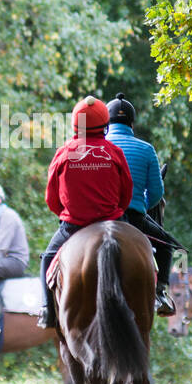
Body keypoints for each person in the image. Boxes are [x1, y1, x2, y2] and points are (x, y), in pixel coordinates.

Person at [36, 95, 133, 330]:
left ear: (74, 125)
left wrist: (66, 213)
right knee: (147, 255)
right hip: (112, 222)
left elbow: (51, 198)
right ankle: (156, 293)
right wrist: (115, 212)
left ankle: (47, 310)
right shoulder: (114, 152)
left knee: (48, 258)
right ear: (106, 125)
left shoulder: (63, 153)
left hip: (74, 226)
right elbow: (127, 191)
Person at [104, 93, 176, 316]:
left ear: (106, 123)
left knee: (57, 250)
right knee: (165, 245)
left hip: (98, 217)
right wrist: (140, 204)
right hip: (134, 216)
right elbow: (156, 192)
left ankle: (48, 303)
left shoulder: (97, 147)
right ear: (132, 124)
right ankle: (160, 292)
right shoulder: (146, 149)